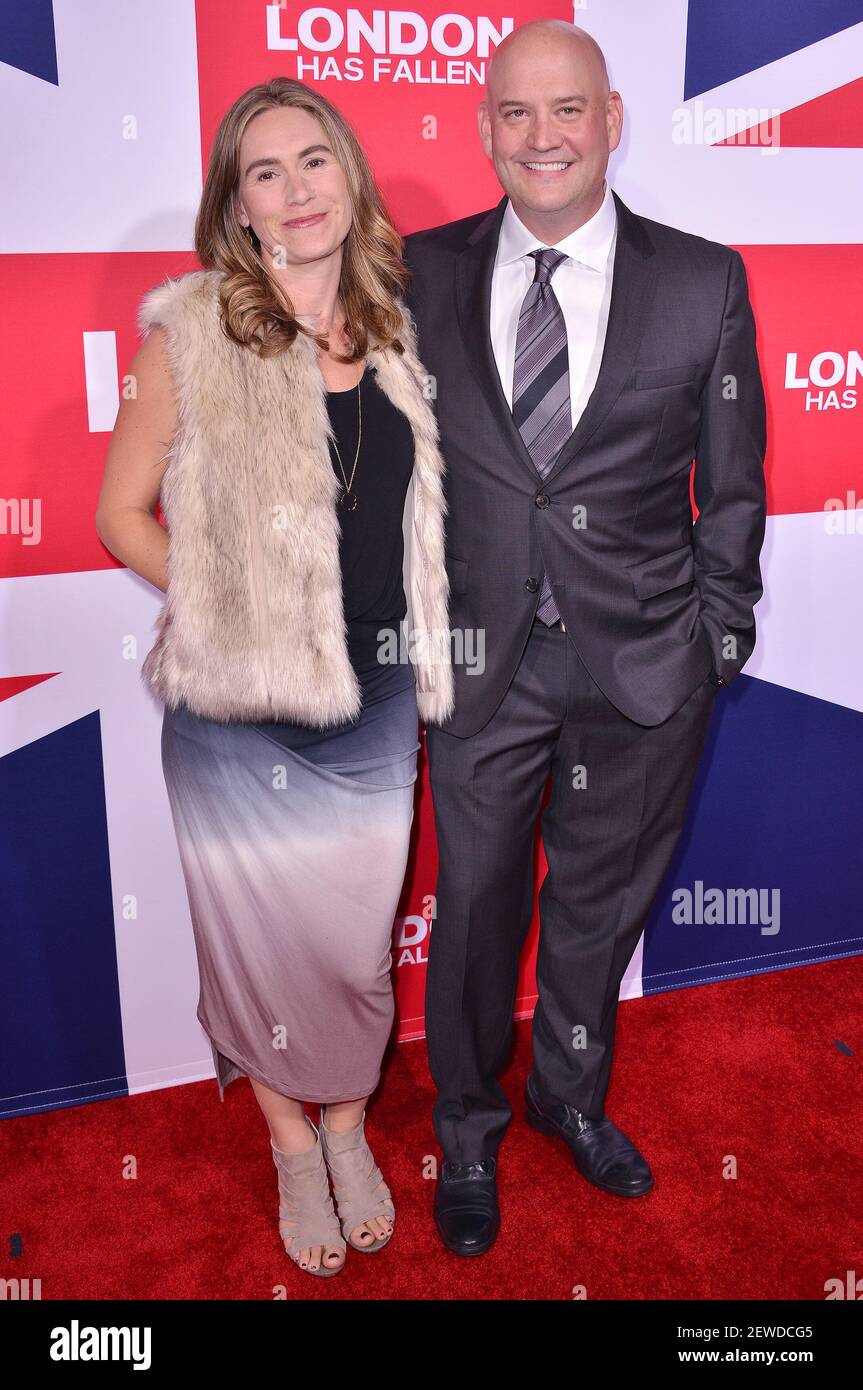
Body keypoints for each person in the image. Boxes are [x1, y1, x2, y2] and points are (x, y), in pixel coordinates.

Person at [403, 19, 767, 1255]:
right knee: (473, 916)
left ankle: (567, 1098)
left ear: (610, 121)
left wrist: (718, 637)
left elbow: (733, 486)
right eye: (516, 112)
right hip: (481, 667)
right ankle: (464, 1127)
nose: (542, 135)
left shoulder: (701, 279)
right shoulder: (418, 270)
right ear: (485, 128)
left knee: (595, 913)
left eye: (567, 110)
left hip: (644, 666)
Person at [95, 77, 453, 1278]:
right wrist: (231, 618)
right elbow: (117, 517)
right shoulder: (186, 334)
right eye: (264, 172)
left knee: (349, 951)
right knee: (249, 945)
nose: (295, 189)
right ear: (237, 208)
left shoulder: (398, 325)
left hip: (375, 697)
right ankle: (295, 1142)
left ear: (349, 177)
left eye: (313, 161)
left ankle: (349, 1123)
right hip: (233, 715)